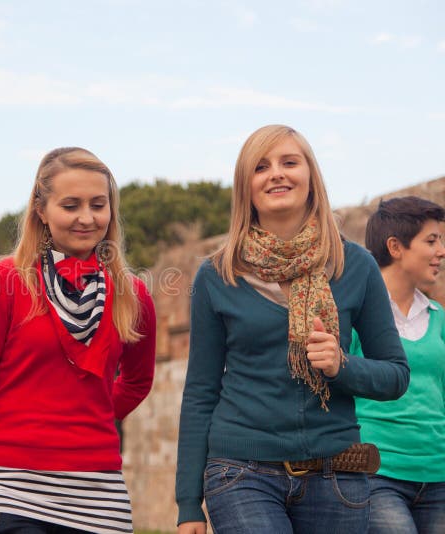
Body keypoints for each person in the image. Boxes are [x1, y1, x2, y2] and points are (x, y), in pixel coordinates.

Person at [175, 124, 410, 534]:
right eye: (261, 167)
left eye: (289, 162)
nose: (276, 174)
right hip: (240, 473)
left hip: (336, 475)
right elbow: (200, 392)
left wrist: (342, 365)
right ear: (245, 186)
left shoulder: (355, 266)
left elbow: (395, 375)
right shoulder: (217, 274)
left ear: (310, 176)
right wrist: (188, 503)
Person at [0, 147, 156, 534]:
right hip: (6, 483)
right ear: (41, 210)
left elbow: (137, 382)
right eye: (71, 205)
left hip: (99, 489)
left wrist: (87, 415)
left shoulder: (132, 296)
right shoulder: (5, 281)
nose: (87, 217)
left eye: (98, 205)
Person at [351, 196, 445, 533]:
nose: (442, 251)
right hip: (377, 474)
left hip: (439, 476)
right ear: (395, 246)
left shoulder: (440, 320)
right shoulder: (353, 313)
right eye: (432, 240)